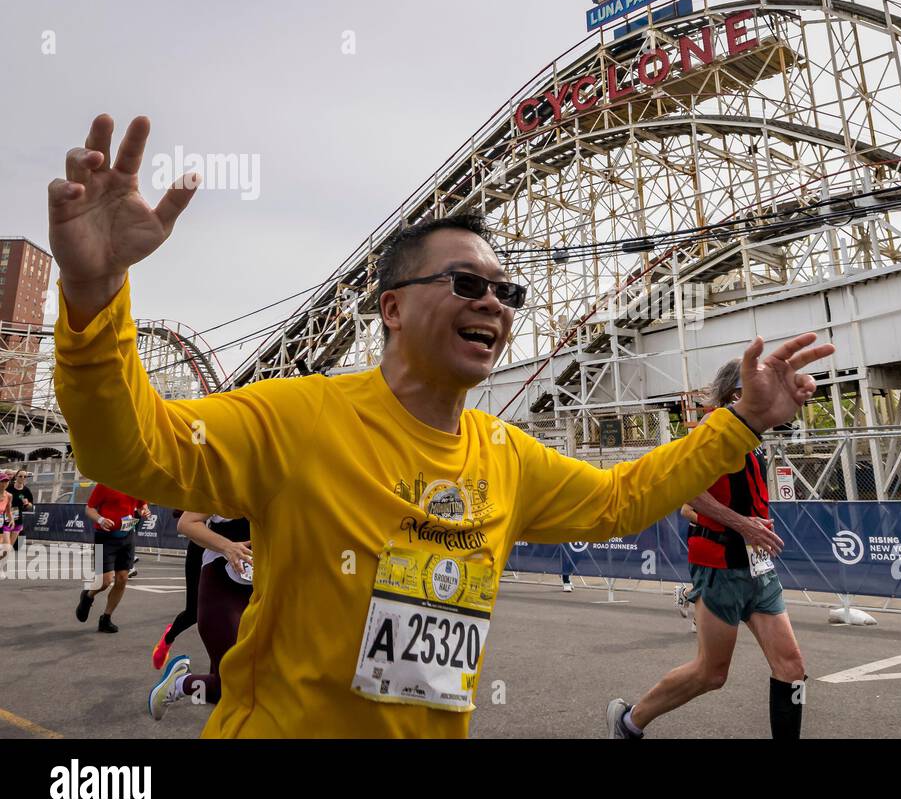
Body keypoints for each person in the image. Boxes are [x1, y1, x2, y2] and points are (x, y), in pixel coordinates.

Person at [49, 113, 834, 738]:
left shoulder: (506, 456)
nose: (493, 301)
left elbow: (621, 500)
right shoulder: (296, 416)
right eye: (465, 282)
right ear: (391, 307)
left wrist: (737, 423)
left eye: (506, 291)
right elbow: (127, 446)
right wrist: (94, 293)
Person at [607, 359, 806, 739]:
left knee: (791, 666)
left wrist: (754, 523)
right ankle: (630, 721)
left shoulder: (753, 437)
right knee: (711, 673)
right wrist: (741, 523)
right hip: (719, 564)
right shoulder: (713, 431)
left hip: (757, 566)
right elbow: (686, 491)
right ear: (739, 394)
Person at [149, 512, 254, 719]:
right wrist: (227, 546)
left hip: (264, 588)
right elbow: (186, 522)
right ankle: (180, 684)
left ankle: (189, 683)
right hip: (223, 582)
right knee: (236, 686)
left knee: (249, 684)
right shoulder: (228, 482)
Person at [75, 482, 151, 632]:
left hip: (127, 536)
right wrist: (101, 520)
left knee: (122, 579)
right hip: (104, 537)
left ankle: (106, 619)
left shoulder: (137, 484)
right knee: (105, 581)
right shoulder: (105, 483)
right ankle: (88, 595)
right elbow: (89, 509)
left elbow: (143, 505)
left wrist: (145, 511)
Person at [152, 509, 205, 669]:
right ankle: (168, 638)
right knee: (193, 612)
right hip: (203, 547)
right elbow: (179, 513)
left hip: (244, 551)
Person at [5, 469, 34, 553]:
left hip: (17, 517)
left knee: (9, 546)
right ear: (16, 477)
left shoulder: (26, 491)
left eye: (25, 476)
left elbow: (30, 505)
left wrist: (27, 503)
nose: (23, 478)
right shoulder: (9, 487)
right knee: (4, 542)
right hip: (5, 515)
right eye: (20, 476)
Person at [0, 472, 13, 560]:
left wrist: (12, 519)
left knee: (6, 550)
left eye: (6, 481)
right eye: (2, 481)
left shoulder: (9, 495)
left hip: (1, 521)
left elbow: (8, 510)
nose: (4, 484)